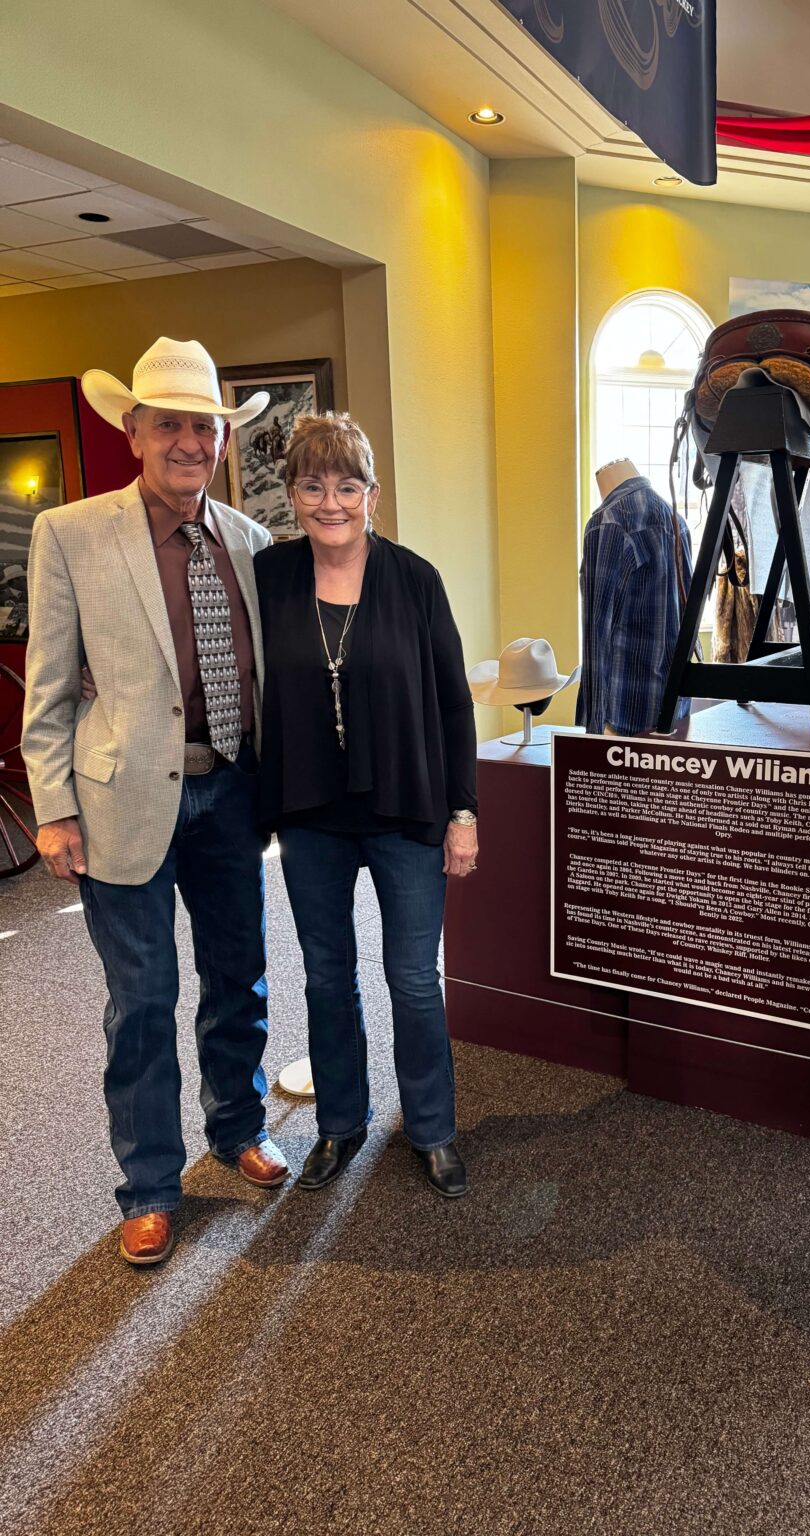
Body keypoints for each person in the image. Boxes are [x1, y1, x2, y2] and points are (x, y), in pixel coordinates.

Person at [22, 337, 290, 1267]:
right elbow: (50, 689)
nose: (187, 441)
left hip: (231, 794)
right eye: (168, 423)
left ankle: (238, 1125)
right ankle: (147, 1185)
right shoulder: (72, 533)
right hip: (119, 802)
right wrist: (52, 807)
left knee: (239, 977)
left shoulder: (251, 545)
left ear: (222, 438)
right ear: (133, 431)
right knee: (141, 1002)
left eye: (203, 426)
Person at [255, 413, 478, 1197]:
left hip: (406, 810)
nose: (330, 501)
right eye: (311, 485)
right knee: (325, 976)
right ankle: (340, 1125)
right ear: (291, 495)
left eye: (346, 485)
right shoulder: (271, 577)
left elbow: (454, 704)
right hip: (310, 815)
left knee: (414, 978)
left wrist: (463, 813)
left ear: (372, 496)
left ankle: (431, 1128)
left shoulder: (415, 579)